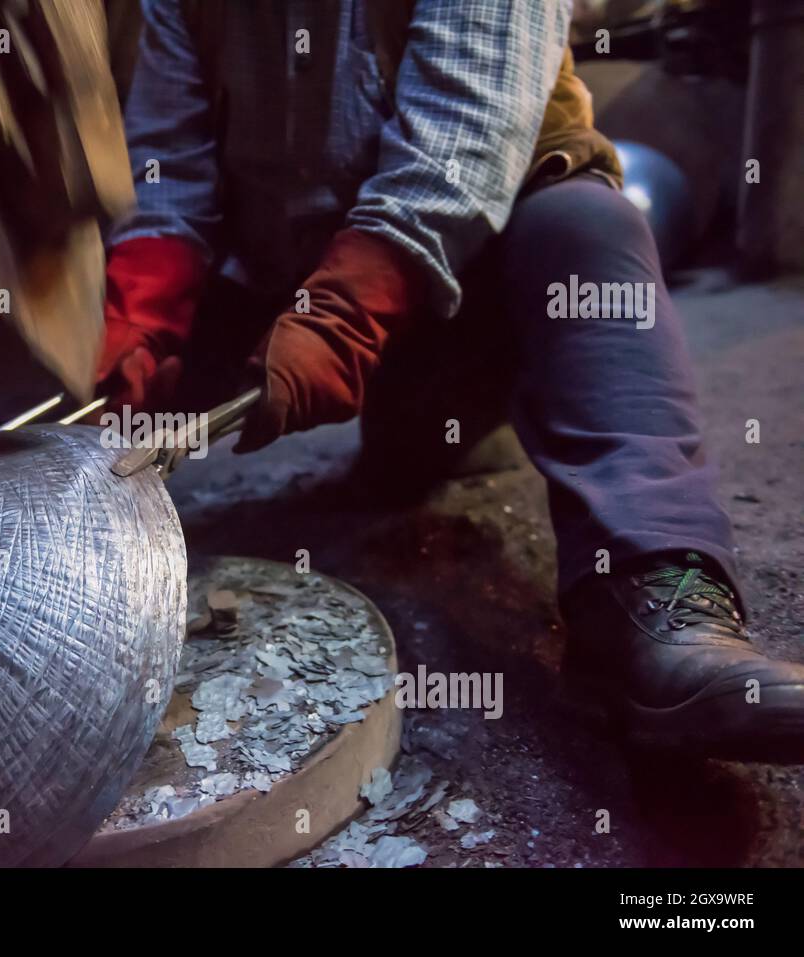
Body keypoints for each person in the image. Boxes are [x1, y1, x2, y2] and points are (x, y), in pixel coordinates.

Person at [97, 0, 804, 762]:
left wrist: (343, 313)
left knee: (586, 230)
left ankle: (648, 594)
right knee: (122, 376)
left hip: (463, 277)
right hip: (291, 287)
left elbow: (463, 134)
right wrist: (144, 314)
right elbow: (169, 169)